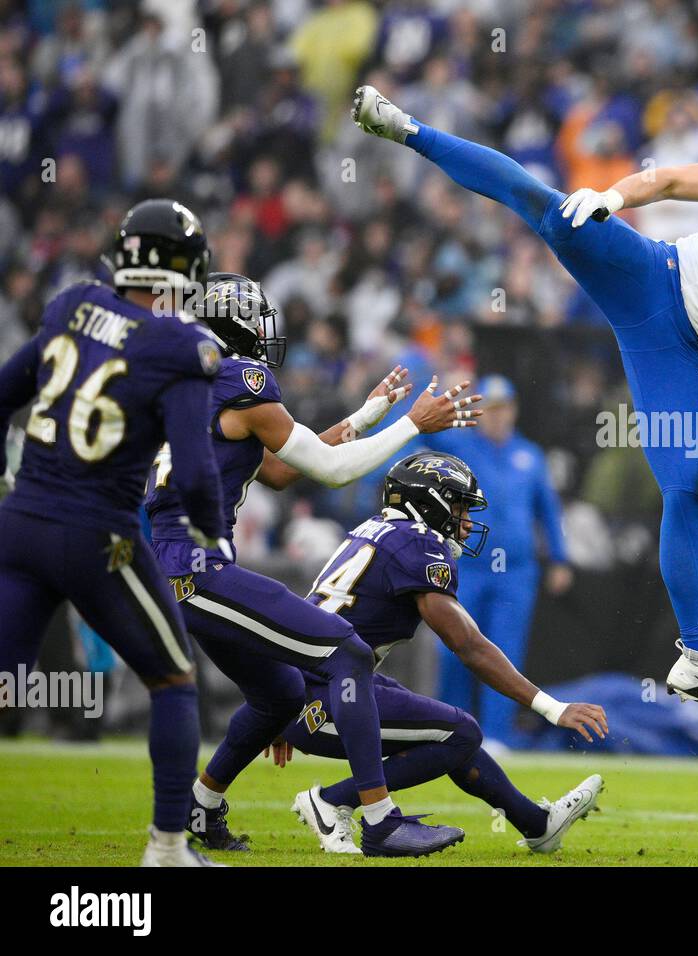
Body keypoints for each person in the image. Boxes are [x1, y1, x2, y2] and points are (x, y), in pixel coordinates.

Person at [353, 83, 698, 727]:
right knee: (546, 205)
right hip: (652, 276)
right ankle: (406, 128)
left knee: (690, 487)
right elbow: (677, 178)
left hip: (676, 352)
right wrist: (613, 196)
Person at [144, 273, 482, 857]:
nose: (267, 335)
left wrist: (364, 417)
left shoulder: (192, 384)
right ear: (237, 325)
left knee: (279, 693)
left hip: (176, 566)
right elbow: (330, 470)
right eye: (258, 322)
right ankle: (378, 819)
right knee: (346, 651)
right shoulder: (241, 378)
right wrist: (410, 426)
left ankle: (200, 808)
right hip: (196, 566)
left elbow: (278, 468)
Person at [0, 198, 226, 866]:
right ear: (182, 269)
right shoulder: (180, 346)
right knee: (175, 680)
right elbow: (193, 472)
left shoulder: (71, 306)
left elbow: (3, 392)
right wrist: (214, 533)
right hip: (100, 536)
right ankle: (166, 849)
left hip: (18, 526)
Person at [284, 452, 607, 854]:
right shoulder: (420, 543)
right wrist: (551, 707)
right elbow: (468, 645)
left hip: (310, 684)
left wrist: (275, 698)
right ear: (428, 503)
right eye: (459, 507)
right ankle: (332, 801)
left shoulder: (375, 529)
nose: (467, 522)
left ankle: (537, 824)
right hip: (328, 695)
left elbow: (305, 615)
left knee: (442, 728)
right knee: (460, 731)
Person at [433, 375, 571, 751]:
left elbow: (548, 510)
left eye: (503, 408)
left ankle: (496, 736)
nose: (497, 417)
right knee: (452, 650)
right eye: (490, 410)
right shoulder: (458, 449)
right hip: (467, 568)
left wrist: (560, 558)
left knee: (504, 653)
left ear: (513, 411)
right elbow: (419, 436)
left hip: (516, 571)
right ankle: (450, 729)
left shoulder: (530, 455)